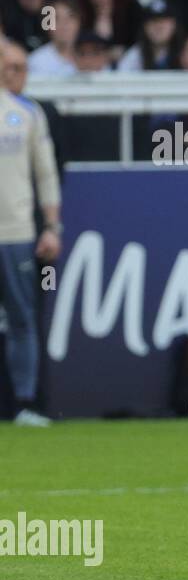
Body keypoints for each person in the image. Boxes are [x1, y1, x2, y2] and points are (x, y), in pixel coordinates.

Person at [0, 41, 60, 426]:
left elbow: (46, 174)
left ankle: (25, 403)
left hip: (17, 232)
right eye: (10, 66)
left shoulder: (27, 112)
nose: (17, 74)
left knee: (22, 319)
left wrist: (52, 227)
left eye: (22, 67)